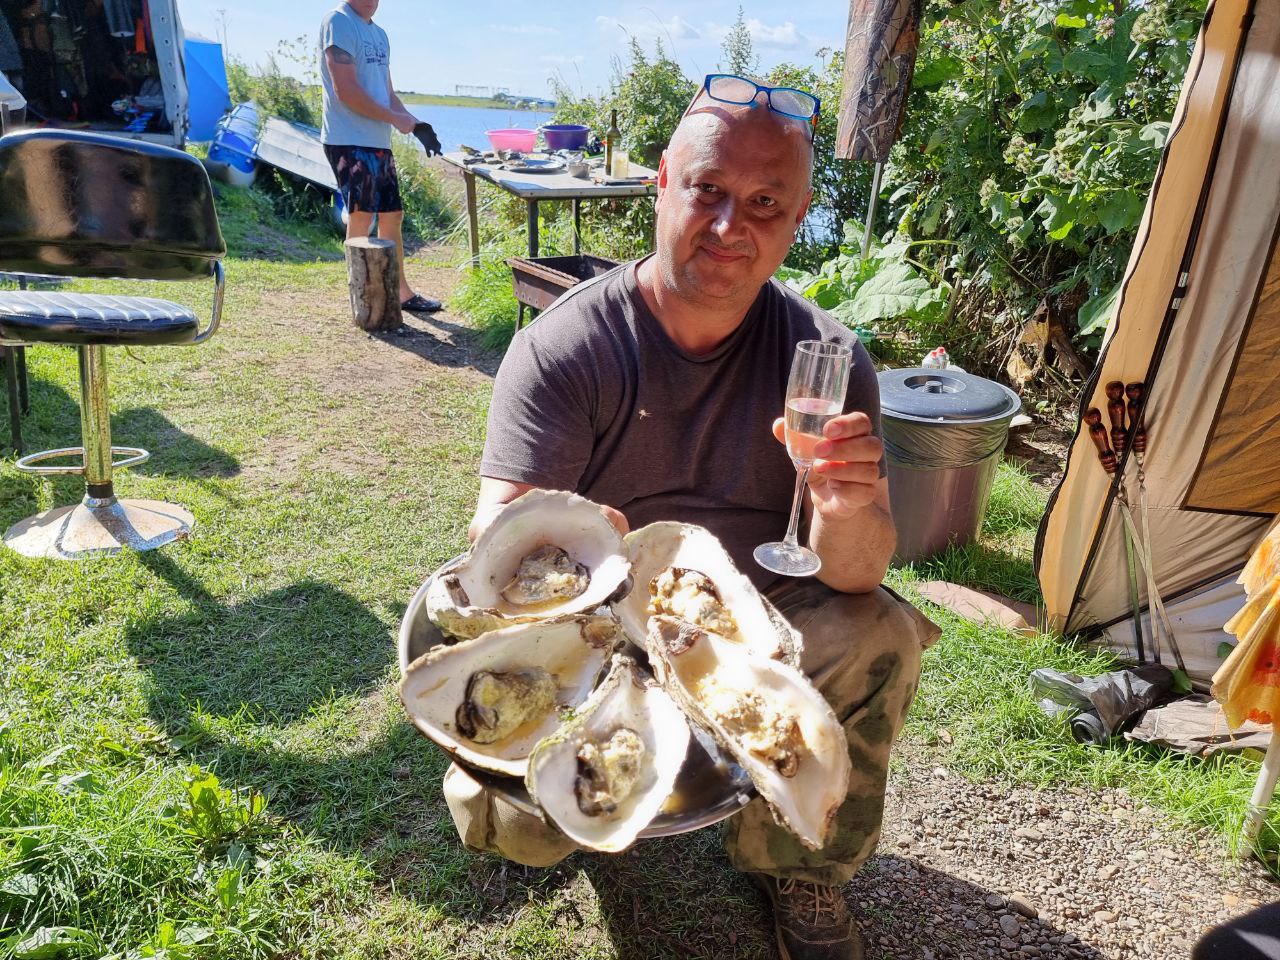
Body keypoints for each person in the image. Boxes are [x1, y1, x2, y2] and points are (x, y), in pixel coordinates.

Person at [444, 74, 939, 960]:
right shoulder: (566, 347)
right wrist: (549, 538)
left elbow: (856, 573)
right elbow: (499, 540)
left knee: (881, 633)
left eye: (764, 203)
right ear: (660, 182)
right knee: (517, 828)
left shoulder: (828, 359)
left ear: (798, 219)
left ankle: (800, 863)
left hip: (750, 627)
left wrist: (847, 504)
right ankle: (559, 795)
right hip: (589, 632)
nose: (729, 225)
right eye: (707, 191)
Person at [318, 0, 441, 314]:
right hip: (347, 138)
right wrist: (392, 117)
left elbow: (386, 93)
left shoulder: (380, 35)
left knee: (391, 215)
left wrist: (414, 124)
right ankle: (359, 296)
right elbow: (345, 89)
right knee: (361, 214)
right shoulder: (339, 22)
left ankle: (401, 292)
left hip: (377, 141)